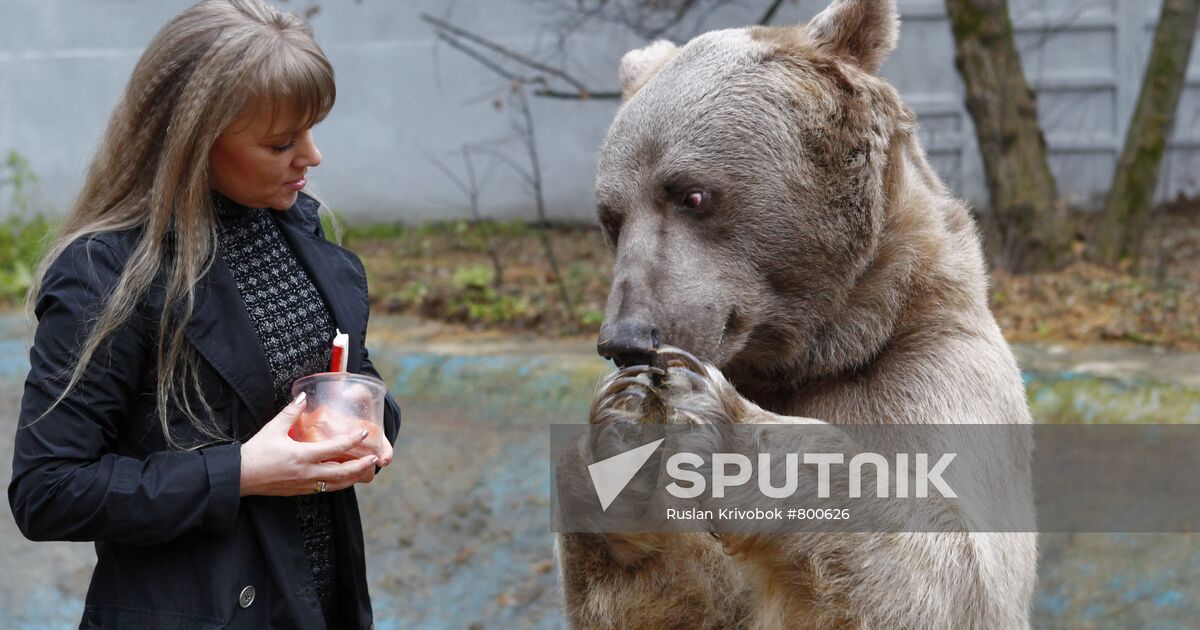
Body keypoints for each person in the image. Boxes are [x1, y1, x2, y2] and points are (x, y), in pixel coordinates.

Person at [7, 1, 400, 628]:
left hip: (316, 602)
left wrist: (366, 425)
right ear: (192, 142)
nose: (312, 156)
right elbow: (48, 491)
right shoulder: (107, 273)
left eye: (311, 129)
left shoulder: (298, 226)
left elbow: (350, 374)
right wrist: (240, 472)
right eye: (280, 143)